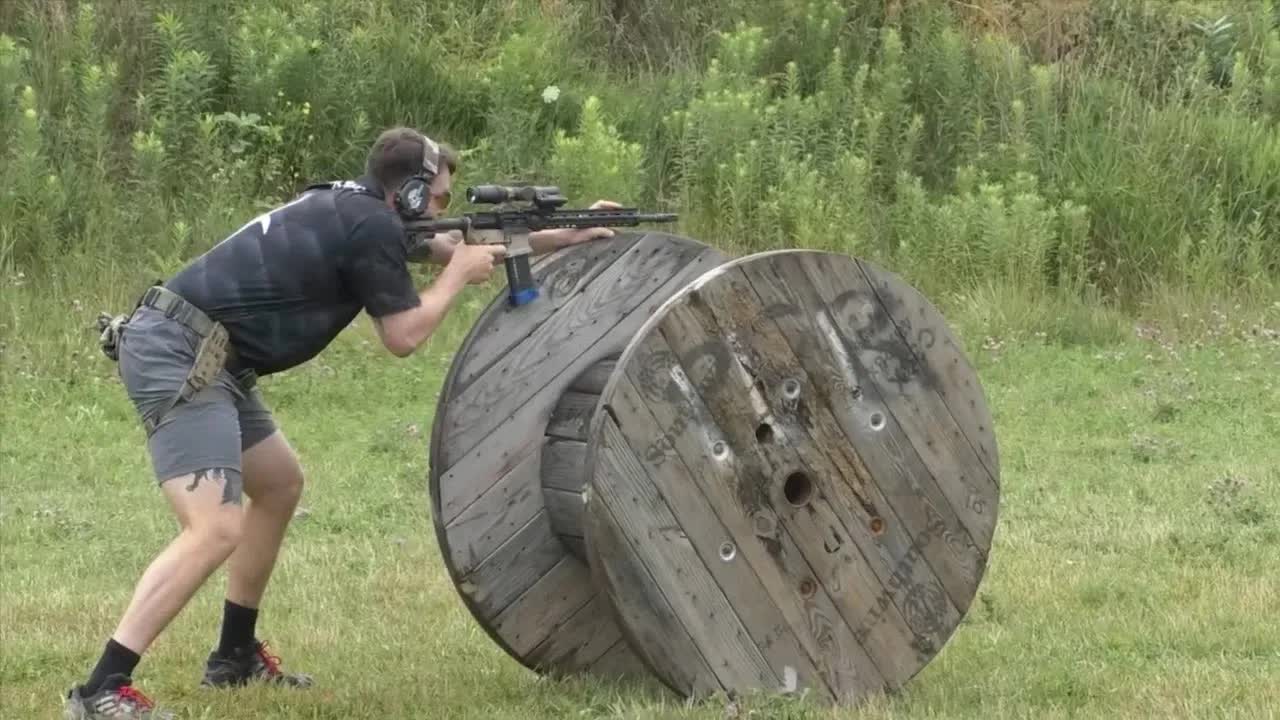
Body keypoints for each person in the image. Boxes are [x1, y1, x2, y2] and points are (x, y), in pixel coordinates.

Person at [66, 127, 619, 719]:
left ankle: (233, 656)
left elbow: (446, 242)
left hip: (210, 352)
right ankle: (101, 688)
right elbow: (403, 335)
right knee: (215, 527)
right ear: (408, 192)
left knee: (279, 484)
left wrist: (560, 235)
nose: (441, 210)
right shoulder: (371, 225)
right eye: (436, 197)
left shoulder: (353, 208)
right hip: (181, 353)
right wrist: (456, 278)